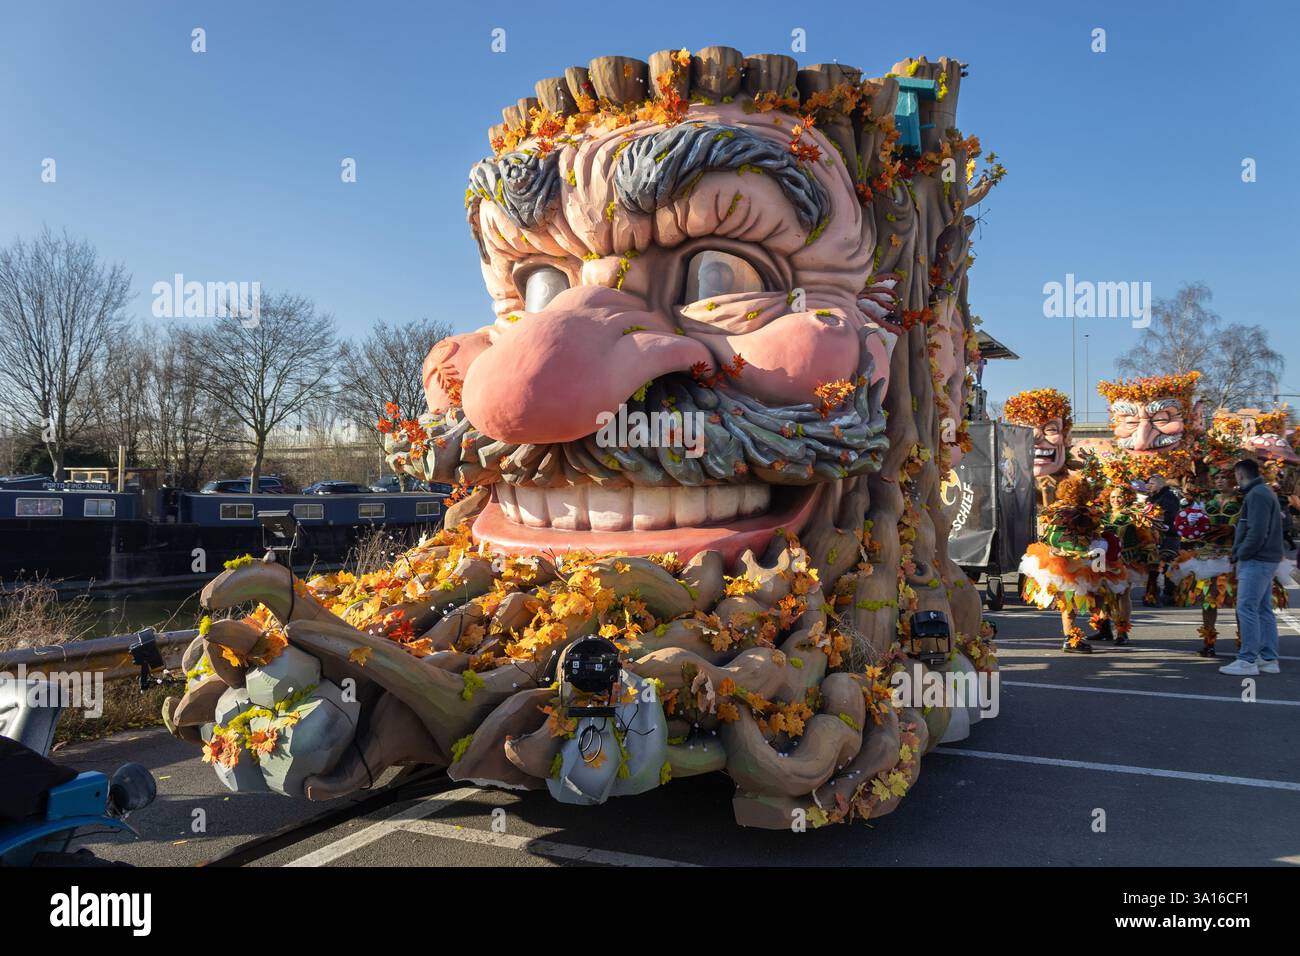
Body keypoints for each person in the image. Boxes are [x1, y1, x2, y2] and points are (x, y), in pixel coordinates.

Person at [1221, 458, 1284, 675]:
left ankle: (1247, 660)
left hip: (1257, 559)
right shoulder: (1264, 492)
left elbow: (1257, 532)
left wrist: (1241, 553)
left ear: (1240, 475)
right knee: (1262, 609)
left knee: (1246, 608)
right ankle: (1268, 658)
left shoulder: (1257, 495)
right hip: (1265, 558)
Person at [1143, 474, 1182, 605]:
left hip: (1168, 536)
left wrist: (1156, 520)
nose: (1148, 486)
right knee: (1152, 566)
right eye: (1147, 484)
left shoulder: (1169, 497)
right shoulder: (1149, 498)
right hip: (1153, 537)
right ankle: (1151, 595)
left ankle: (1169, 594)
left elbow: (1168, 516)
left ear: (1161, 485)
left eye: (1151, 484)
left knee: (1167, 565)